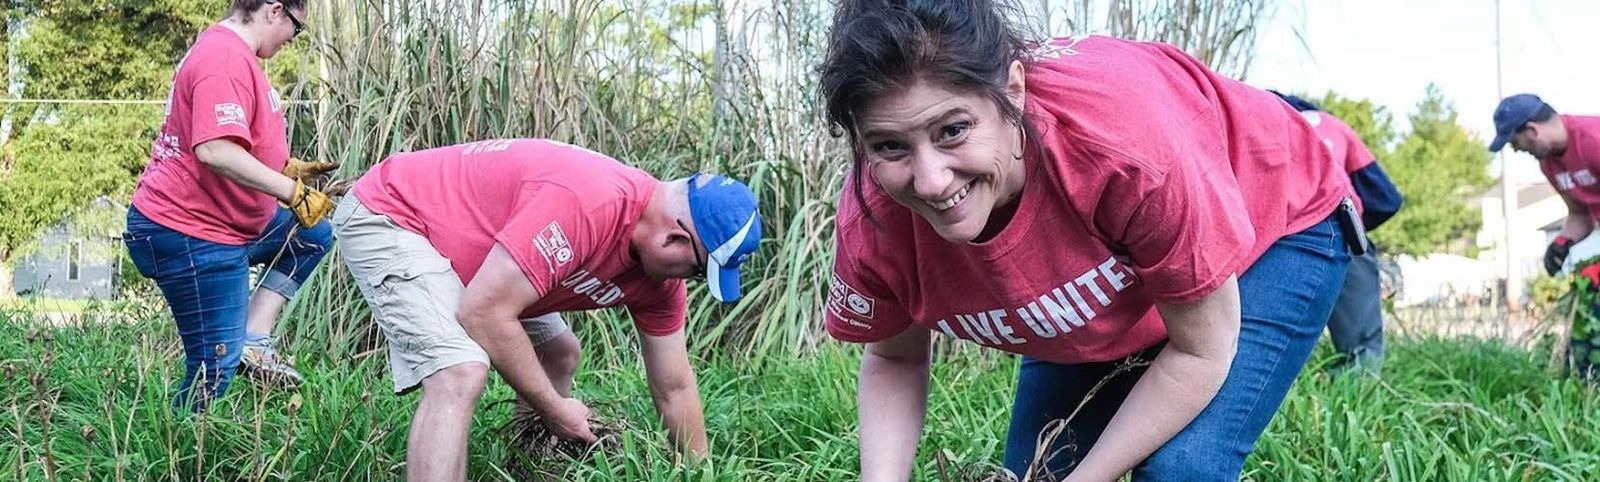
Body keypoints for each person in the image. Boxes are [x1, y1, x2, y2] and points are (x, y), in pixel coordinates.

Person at [816, 1, 1358, 480]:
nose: (931, 181)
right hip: (1125, 283)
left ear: (1012, 91)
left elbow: (1201, 350)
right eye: (889, 146)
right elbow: (895, 360)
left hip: (1278, 222)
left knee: (1179, 469)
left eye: (953, 130)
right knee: (1041, 472)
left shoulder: (1124, 154)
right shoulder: (875, 217)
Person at [332, 138, 761, 481]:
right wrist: (556, 410)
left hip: (481, 257)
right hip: (395, 213)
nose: (687, 281)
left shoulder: (659, 281)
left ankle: (523, 468)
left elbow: (675, 387)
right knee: (459, 372)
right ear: (674, 239)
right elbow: (483, 312)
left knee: (560, 352)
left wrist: (700, 473)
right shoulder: (592, 204)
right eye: (697, 270)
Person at [123, 0, 335, 411]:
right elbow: (215, 150)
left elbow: (237, 141)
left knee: (311, 235)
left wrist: (284, 166)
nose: (293, 39)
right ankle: (181, 444)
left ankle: (254, 337)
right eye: (296, 27)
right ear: (275, 10)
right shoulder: (222, 58)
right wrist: (291, 192)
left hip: (224, 224)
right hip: (190, 231)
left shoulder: (238, 55)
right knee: (214, 369)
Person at [1273, 92, 1404, 370]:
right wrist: (1358, 229)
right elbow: (1386, 198)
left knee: (1260, 339)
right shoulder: (1332, 125)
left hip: (1272, 232)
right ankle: (1359, 386)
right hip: (1339, 221)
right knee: (1362, 348)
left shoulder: (1255, 114)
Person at [1489, 93, 1600, 379]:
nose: (1516, 150)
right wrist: (1562, 243)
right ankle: (1586, 392)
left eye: (1515, 142)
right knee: (1586, 340)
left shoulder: (1593, 140)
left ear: (1532, 130)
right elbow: (1580, 214)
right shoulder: (1549, 164)